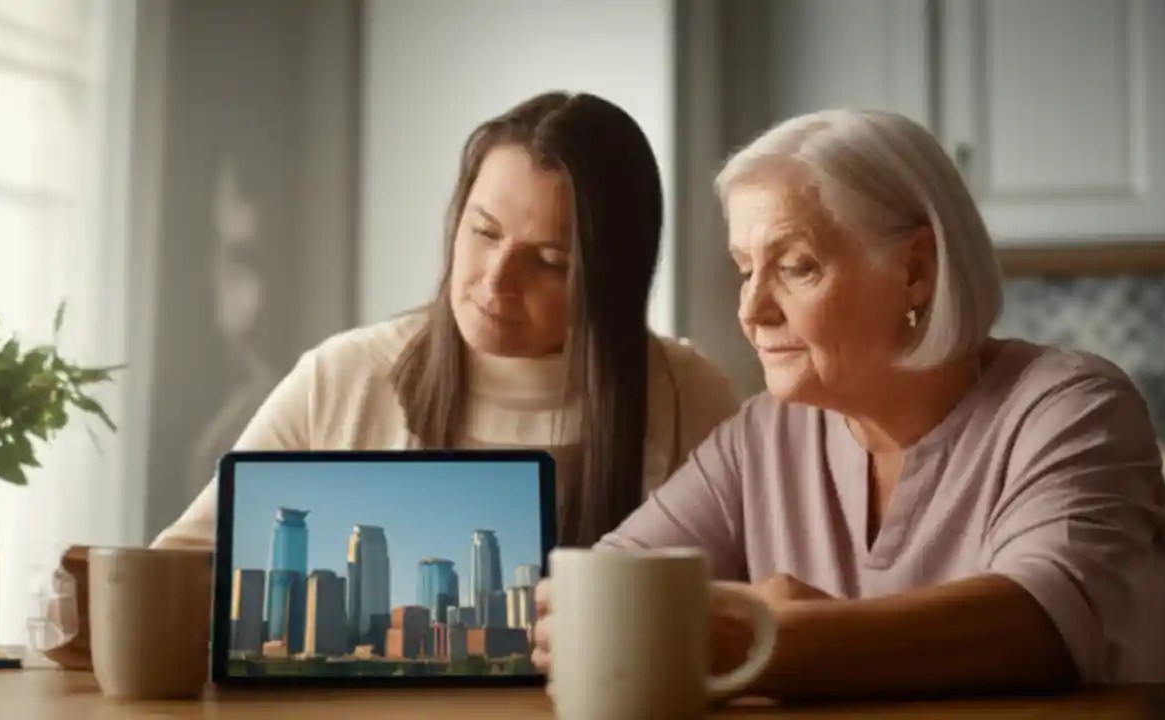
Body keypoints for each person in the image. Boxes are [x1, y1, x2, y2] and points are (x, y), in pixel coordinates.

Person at [532, 109, 1165, 696]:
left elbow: (1046, 621)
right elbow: (601, 591)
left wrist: (775, 639)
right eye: (745, 268)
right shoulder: (763, 436)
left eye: (796, 267)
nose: (752, 309)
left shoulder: (1070, 408)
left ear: (916, 272)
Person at [151, 92, 739, 549]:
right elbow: (187, 565)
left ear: (611, 282)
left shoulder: (688, 397)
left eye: (550, 262)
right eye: (483, 232)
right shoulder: (343, 378)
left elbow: (760, 606)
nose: (496, 279)